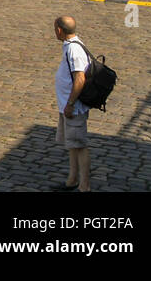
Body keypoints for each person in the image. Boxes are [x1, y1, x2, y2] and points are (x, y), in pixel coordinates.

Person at [53, 15, 92, 191]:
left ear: (59, 30)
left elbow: (80, 79)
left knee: (80, 145)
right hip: (67, 106)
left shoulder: (74, 51)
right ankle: (72, 179)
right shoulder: (70, 45)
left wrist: (70, 104)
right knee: (72, 144)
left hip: (73, 107)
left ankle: (84, 185)